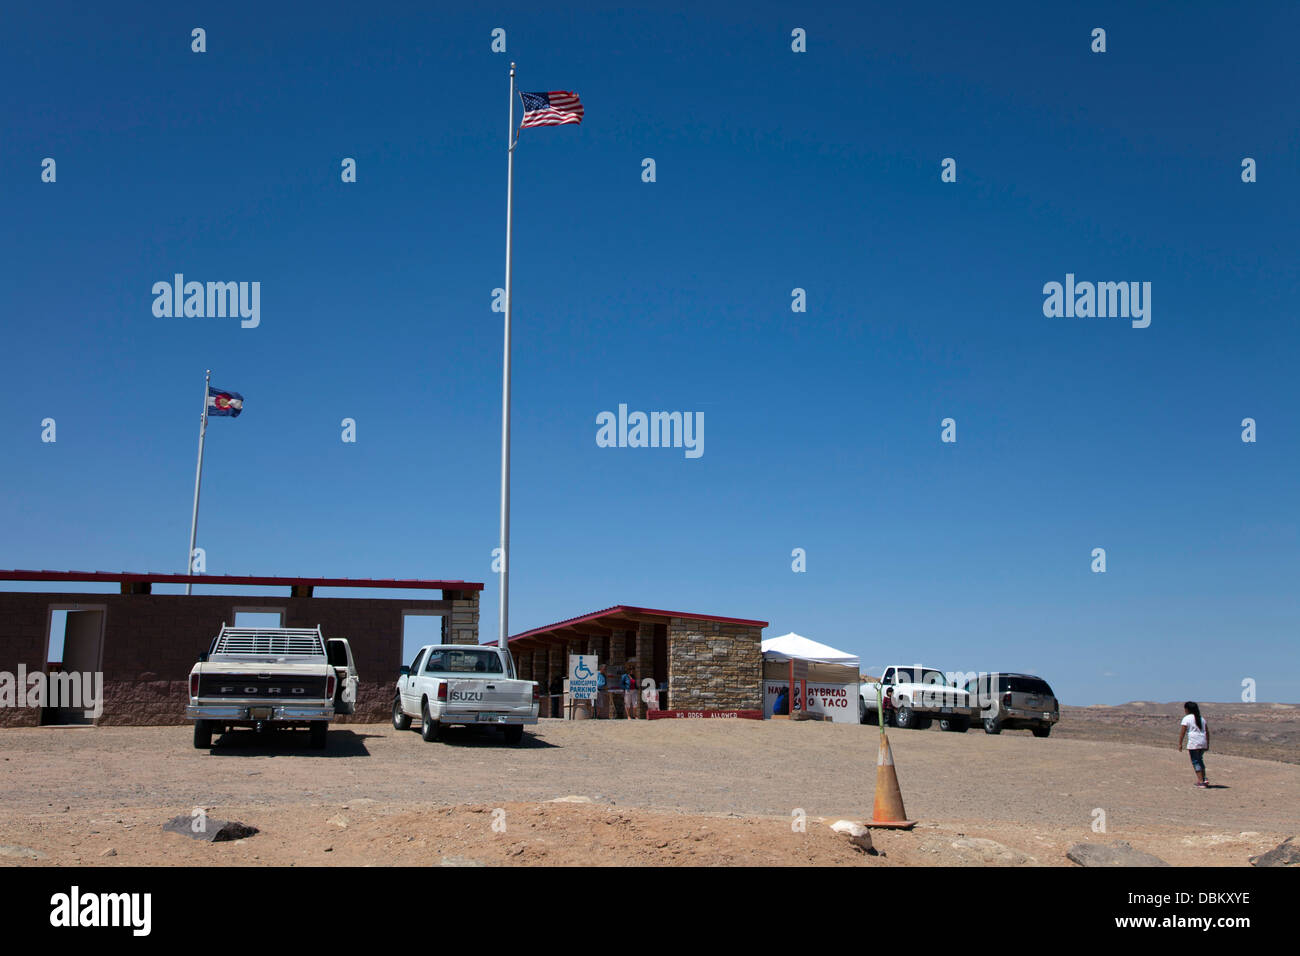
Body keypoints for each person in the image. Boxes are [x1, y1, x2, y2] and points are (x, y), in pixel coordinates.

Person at [1178, 701, 1210, 788]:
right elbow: (1207, 732)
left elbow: (1183, 732)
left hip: (1194, 742)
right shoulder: (1201, 718)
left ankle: (1201, 781)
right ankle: (1204, 779)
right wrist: (1207, 743)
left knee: (1195, 761)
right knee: (1200, 760)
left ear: (1187, 709)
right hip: (1202, 742)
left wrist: (1180, 743)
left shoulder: (1187, 718)